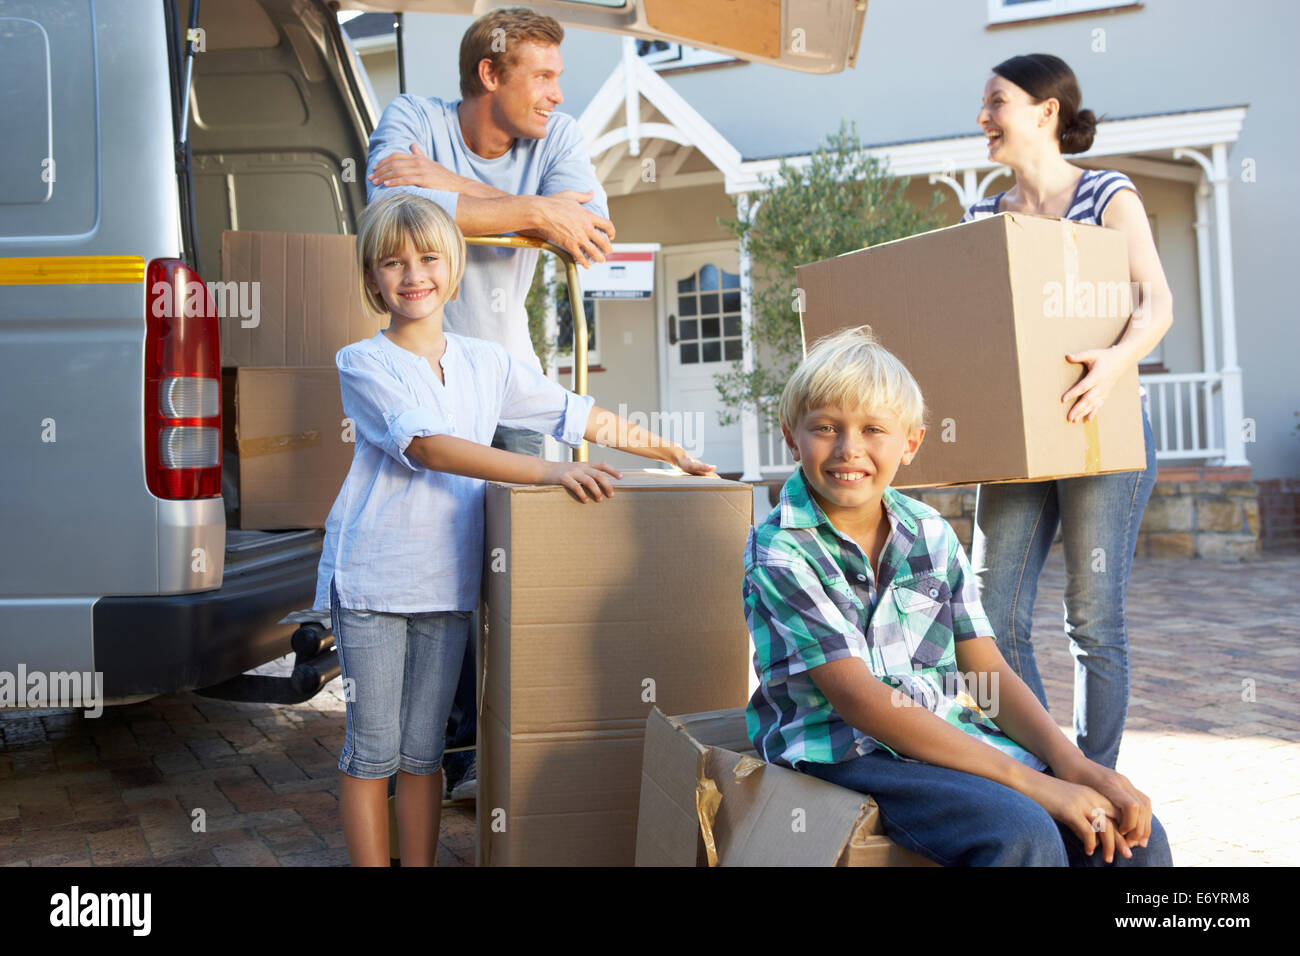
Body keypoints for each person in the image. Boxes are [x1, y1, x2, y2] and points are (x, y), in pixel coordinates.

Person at [316, 193, 713, 866]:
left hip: (447, 586)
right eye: (393, 263)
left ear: (455, 265)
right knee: (373, 749)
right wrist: (547, 474)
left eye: (428, 258)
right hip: (374, 583)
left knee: (423, 751)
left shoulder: (488, 363)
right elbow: (430, 446)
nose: (413, 274)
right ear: (370, 278)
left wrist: (666, 449)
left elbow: (574, 414)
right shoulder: (364, 362)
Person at [745, 325, 1171, 865]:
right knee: (1022, 830)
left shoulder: (929, 532)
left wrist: (1073, 763)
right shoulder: (781, 549)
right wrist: (1034, 785)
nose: (849, 448)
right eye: (826, 428)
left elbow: (982, 669)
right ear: (792, 436)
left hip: (942, 736)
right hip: (840, 748)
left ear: (912, 442)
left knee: (1137, 840)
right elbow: (858, 700)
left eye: (874, 428)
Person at [365, 8, 615, 797]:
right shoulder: (410, 116)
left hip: (511, 383)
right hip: (421, 380)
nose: (555, 94)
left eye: (557, 78)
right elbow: (387, 221)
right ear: (489, 74)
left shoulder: (560, 135)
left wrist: (451, 196)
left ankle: (510, 748)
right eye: (541, 75)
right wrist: (538, 213)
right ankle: (451, 752)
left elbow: (593, 231)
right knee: (439, 569)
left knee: (516, 571)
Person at [963, 54, 1173, 770]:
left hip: (1100, 430)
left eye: (996, 102)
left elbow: (1155, 301)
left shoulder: (1106, 195)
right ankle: (1051, 774)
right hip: (1017, 438)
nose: (983, 118)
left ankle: (1100, 779)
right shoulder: (983, 217)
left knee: (1092, 617)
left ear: (1045, 111)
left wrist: (1115, 363)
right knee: (991, 616)